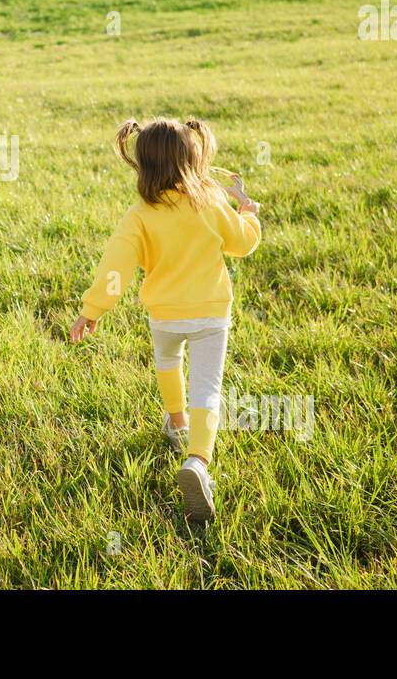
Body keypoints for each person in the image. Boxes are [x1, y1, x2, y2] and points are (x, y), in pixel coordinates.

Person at [69, 117, 261, 521]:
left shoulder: (140, 214)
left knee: (168, 363)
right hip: (210, 312)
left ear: (145, 165)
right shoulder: (209, 200)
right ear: (192, 158)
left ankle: (176, 422)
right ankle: (198, 461)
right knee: (207, 387)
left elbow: (115, 268)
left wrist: (92, 311)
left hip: (166, 316)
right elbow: (242, 244)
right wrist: (249, 214)